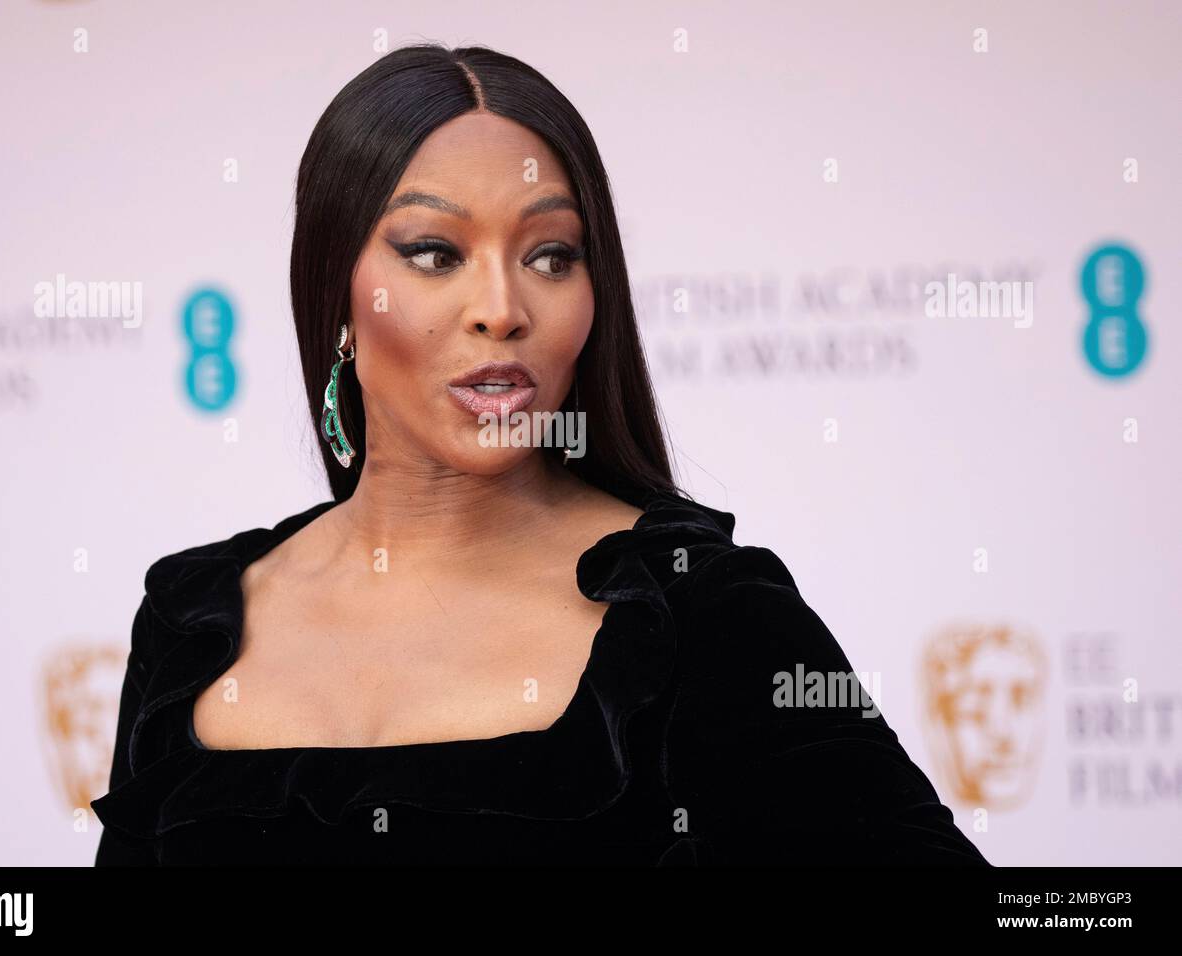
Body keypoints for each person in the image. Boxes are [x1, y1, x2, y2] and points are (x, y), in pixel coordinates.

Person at [91, 42, 989, 866]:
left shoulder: (702, 612)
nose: (502, 307)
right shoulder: (188, 621)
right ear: (337, 293)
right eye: (436, 253)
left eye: (551, 255)